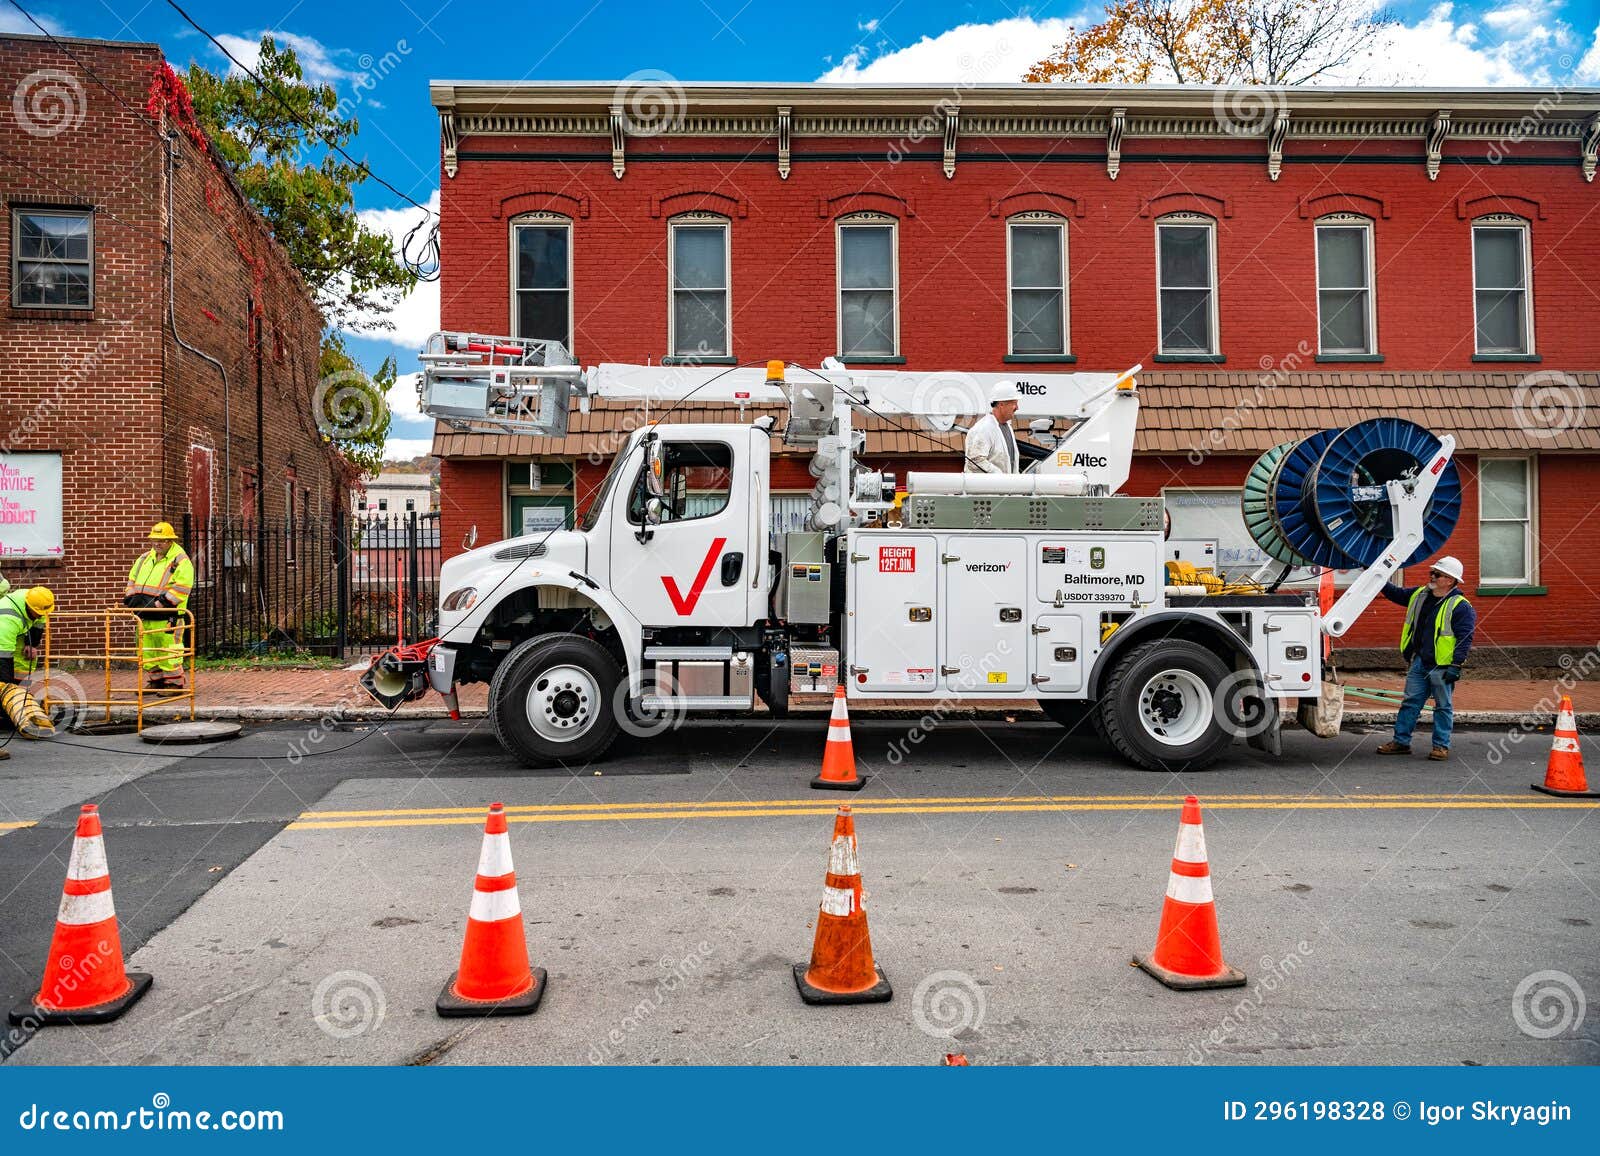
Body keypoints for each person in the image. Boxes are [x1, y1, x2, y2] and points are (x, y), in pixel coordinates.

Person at [1376, 556, 1475, 761]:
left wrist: (1456, 665)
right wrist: (1376, 577)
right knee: (1411, 702)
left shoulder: (1460, 606)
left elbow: (1464, 639)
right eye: (1432, 572)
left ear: (1449, 580)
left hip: (1442, 665)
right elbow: (1395, 593)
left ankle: (1441, 746)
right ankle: (1401, 742)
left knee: (1443, 706)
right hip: (1420, 661)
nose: (1432, 576)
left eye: (1437, 574)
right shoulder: (1420, 595)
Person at [125, 522, 194, 689]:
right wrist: (130, 599)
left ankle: (174, 682)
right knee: (148, 649)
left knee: (169, 650)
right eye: (154, 540)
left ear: (170, 541)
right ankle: (156, 680)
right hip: (145, 614)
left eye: (161, 540)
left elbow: (181, 587)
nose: (157, 543)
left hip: (166, 616)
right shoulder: (144, 558)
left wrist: (158, 605)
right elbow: (131, 580)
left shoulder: (180, 560)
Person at [0, 585, 53, 685]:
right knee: (4, 668)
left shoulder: (38, 601)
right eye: (39, 613)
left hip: (19, 628)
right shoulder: (7, 620)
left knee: (26, 658)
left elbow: (39, 623)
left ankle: (22, 691)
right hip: (4, 636)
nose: (42, 615)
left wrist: (31, 644)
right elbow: (3, 657)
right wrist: (6, 686)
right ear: (29, 607)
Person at [965, 382, 1020, 473]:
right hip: (987, 487)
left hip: (1006, 486)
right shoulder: (984, 428)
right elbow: (974, 461)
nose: (1017, 407)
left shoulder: (1007, 427)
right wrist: (1000, 476)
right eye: (1014, 403)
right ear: (1001, 404)